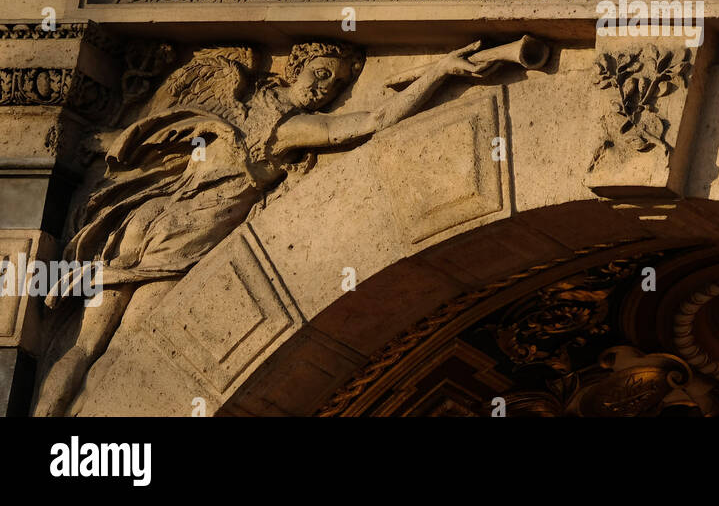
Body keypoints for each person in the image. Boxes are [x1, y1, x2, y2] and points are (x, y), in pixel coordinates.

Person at [34, 39, 490, 416]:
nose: (324, 88)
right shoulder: (287, 129)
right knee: (122, 351)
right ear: (297, 67)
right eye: (321, 72)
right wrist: (441, 71)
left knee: (83, 344)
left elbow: (170, 127)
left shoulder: (236, 99)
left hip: (147, 219)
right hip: (184, 235)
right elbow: (374, 120)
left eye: (337, 84)